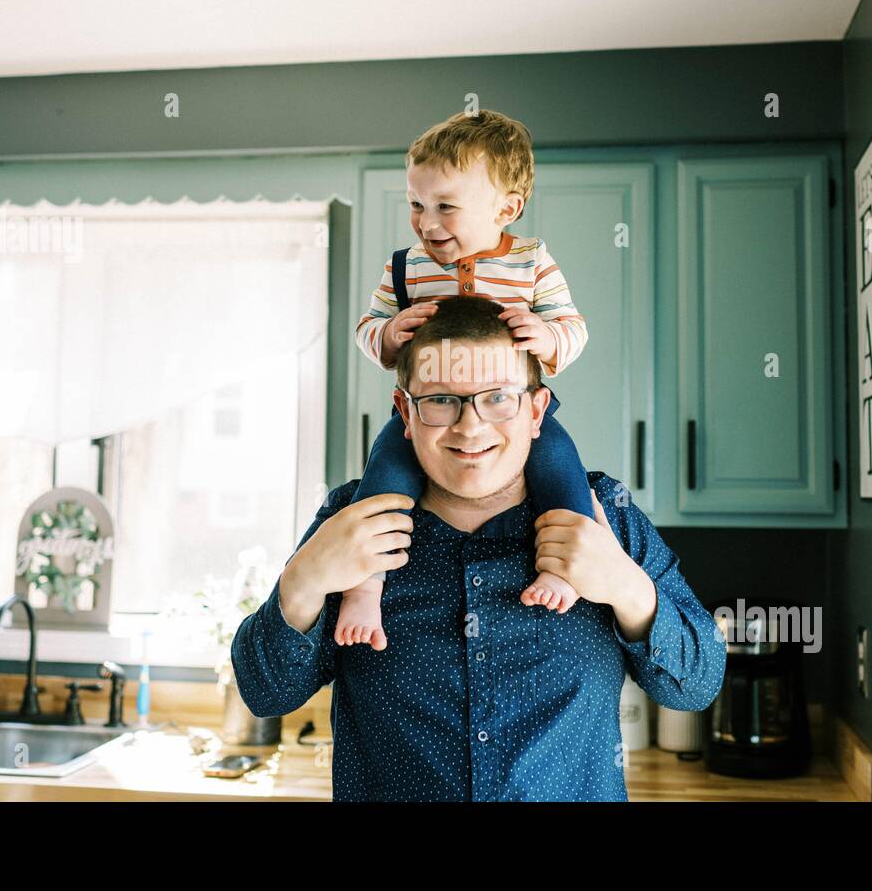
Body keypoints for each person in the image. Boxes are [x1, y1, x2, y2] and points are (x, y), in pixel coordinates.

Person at [230, 296, 726, 801]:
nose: (470, 427)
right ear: (405, 411)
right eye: (441, 399)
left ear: (536, 410)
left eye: (498, 398)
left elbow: (696, 685)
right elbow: (267, 694)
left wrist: (627, 589)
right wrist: (304, 581)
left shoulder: (606, 517)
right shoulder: (349, 522)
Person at [344, 108, 593, 650]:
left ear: (507, 208)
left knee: (562, 473)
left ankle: (564, 568)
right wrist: (388, 335)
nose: (427, 223)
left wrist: (547, 338)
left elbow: (574, 329)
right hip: (421, 409)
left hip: (517, 408)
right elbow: (366, 330)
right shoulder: (404, 268)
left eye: (446, 207)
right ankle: (364, 585)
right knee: (382, 481)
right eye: (416, 204)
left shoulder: (532, 263)